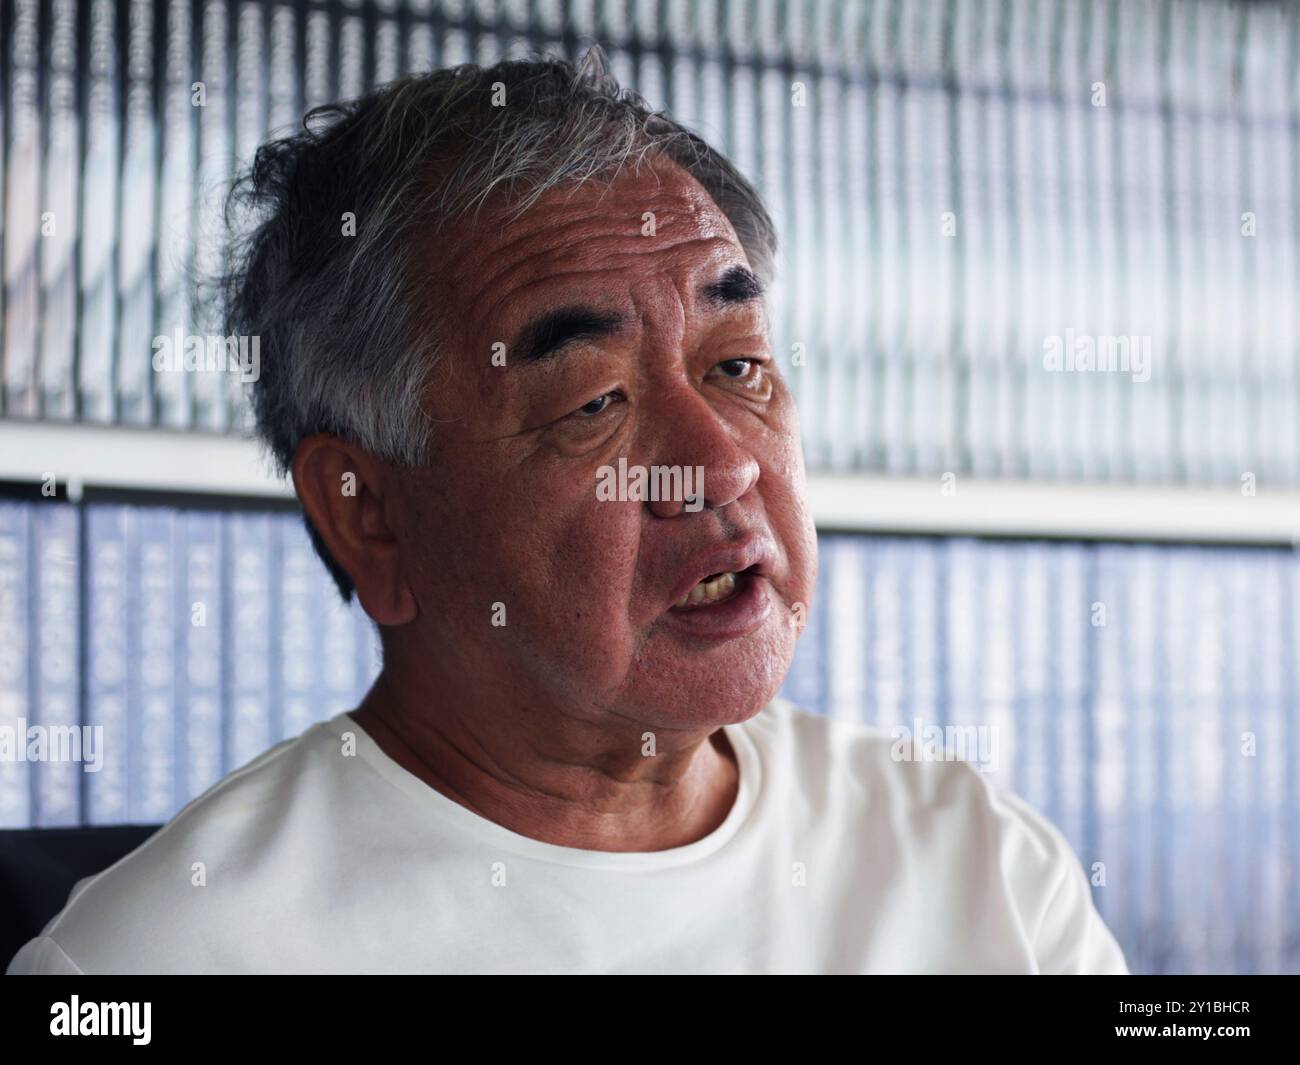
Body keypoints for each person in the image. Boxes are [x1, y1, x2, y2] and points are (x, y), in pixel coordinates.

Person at [8, 51, 1127, 975]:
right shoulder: (148, 967)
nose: (722, 468)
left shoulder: (976, 868)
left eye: (737, 366)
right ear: (368, 516)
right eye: (595, 402)